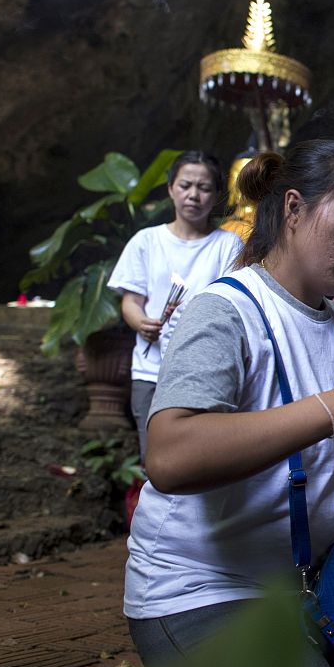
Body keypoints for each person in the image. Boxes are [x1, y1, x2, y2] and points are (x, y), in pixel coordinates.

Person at [123, 139, 334, 667]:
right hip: (201, 591)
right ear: (294, 209)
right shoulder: (227, 311)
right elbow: (169, 456)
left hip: (307, 586)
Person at [107, 151, 243, 461]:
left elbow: (233, 306)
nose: (193, 195)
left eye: (204, 187)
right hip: (151, 372)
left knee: (201, 461)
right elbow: (131, 302)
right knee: (155, 461)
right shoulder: (146, 241)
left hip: (206, 372)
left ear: (216, 195)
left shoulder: (228, 245)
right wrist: (141, 322)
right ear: (170, 189)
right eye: (185, 185)